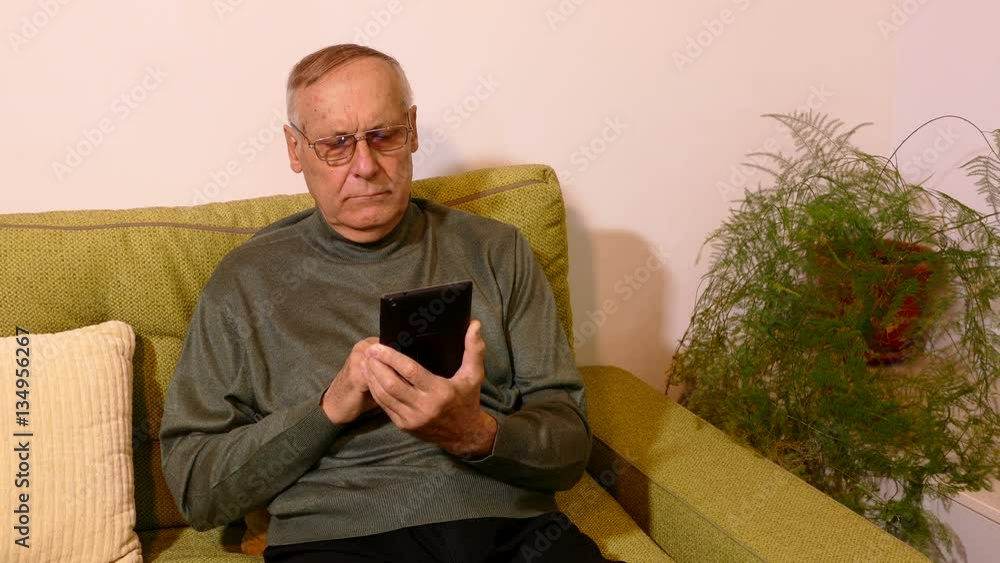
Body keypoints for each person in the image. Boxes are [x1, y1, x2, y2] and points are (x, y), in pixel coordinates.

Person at [160, 44, 620, 563]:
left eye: (384, 136)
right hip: (336, 540)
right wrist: (328, 410)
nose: (366, 167)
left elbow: (568, 448)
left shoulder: (497, 251)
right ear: (294, 150)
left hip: (507, 529)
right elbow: (198, 489)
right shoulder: (243, 282)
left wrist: (475, 433)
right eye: (336, 144)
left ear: (413, 129)